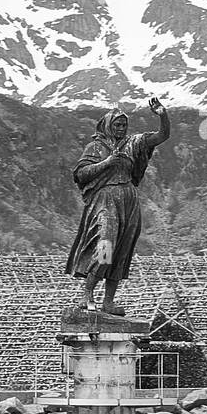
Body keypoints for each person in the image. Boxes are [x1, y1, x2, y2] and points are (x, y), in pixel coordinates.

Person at [65, 98, 171, 315]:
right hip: (105, 201)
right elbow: (81, 174)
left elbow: (162, 136)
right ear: (107, 125)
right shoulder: (95, 147)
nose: (121, 129)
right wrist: (108, 162)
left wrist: (162, 115)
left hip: (128, 201)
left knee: (121, 250)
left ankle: (109, 301)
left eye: (124, 125)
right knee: (106, 244)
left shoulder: (133, 143)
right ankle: (87, 294)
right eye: (117, 125)